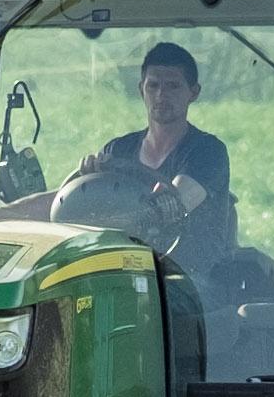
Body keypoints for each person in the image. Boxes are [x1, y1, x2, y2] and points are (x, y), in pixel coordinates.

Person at [68, 41, 236, 255]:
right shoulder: (117, 150)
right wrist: (80, 192)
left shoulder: (208, 151)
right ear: (141, 89)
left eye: (173, 86)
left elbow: (171, 206)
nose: (161, 95)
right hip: (123, 269)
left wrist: (98, 215)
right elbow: (61, 202)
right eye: (153, 85)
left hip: (190, 280)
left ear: (193, 92)